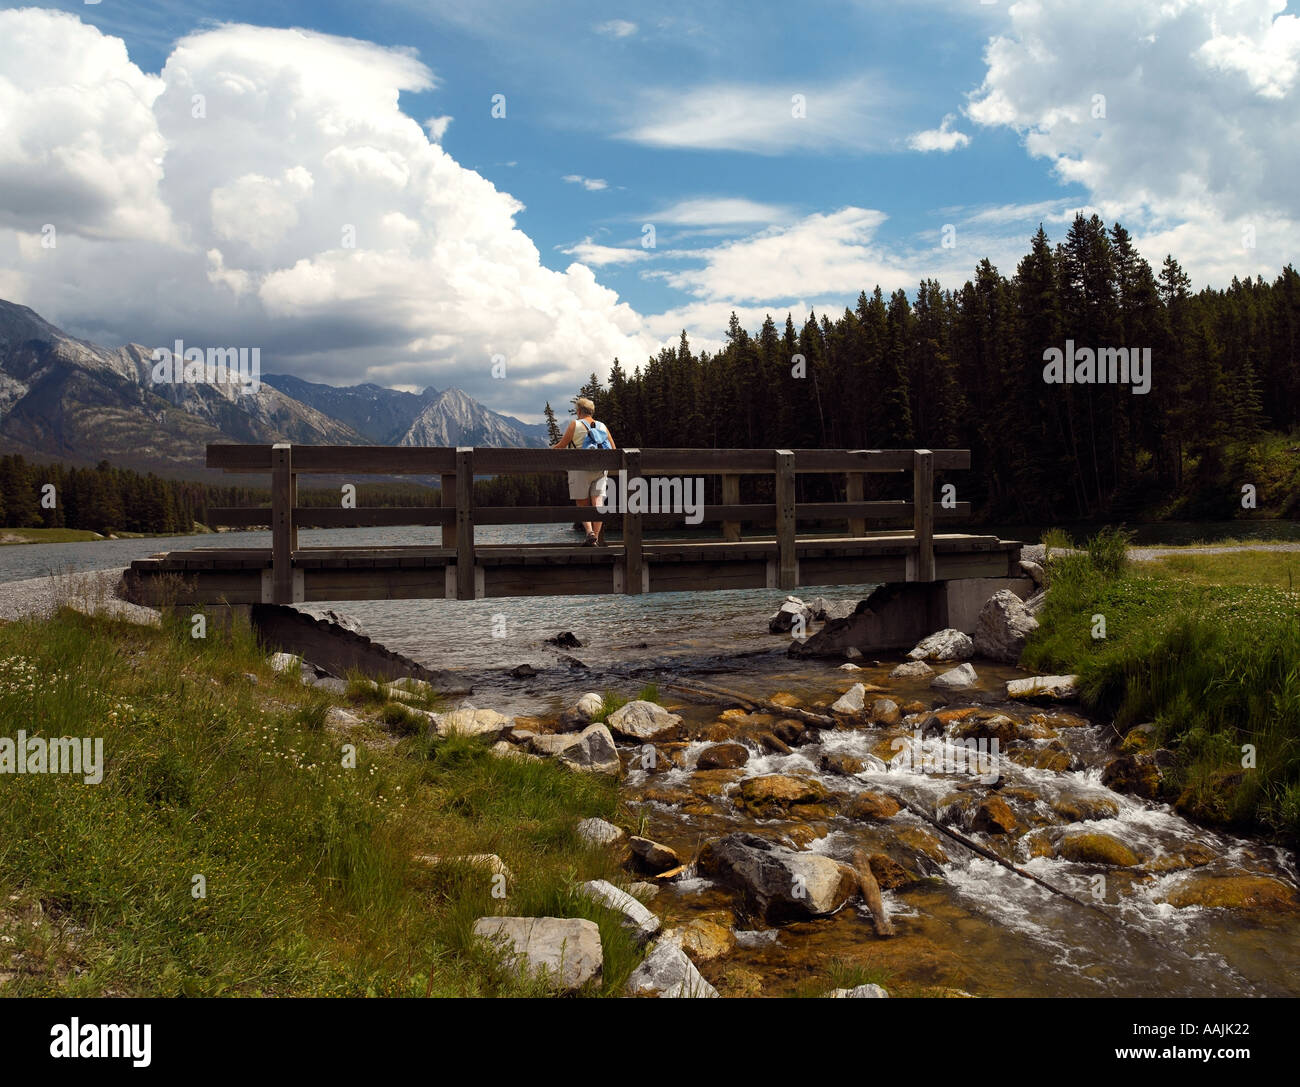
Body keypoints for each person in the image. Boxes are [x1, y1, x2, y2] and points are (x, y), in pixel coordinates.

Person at [551, 396, 616, 546]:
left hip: (579, 469)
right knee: (598, 501)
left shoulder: (575, 424)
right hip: (600, 469)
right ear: (591, 411)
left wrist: (547, 451)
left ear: (579, 411)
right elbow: (613, 449)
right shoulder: (602, 426)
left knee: (582, 503)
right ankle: (597, 538)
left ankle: (589, 533)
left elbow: (561, 446)